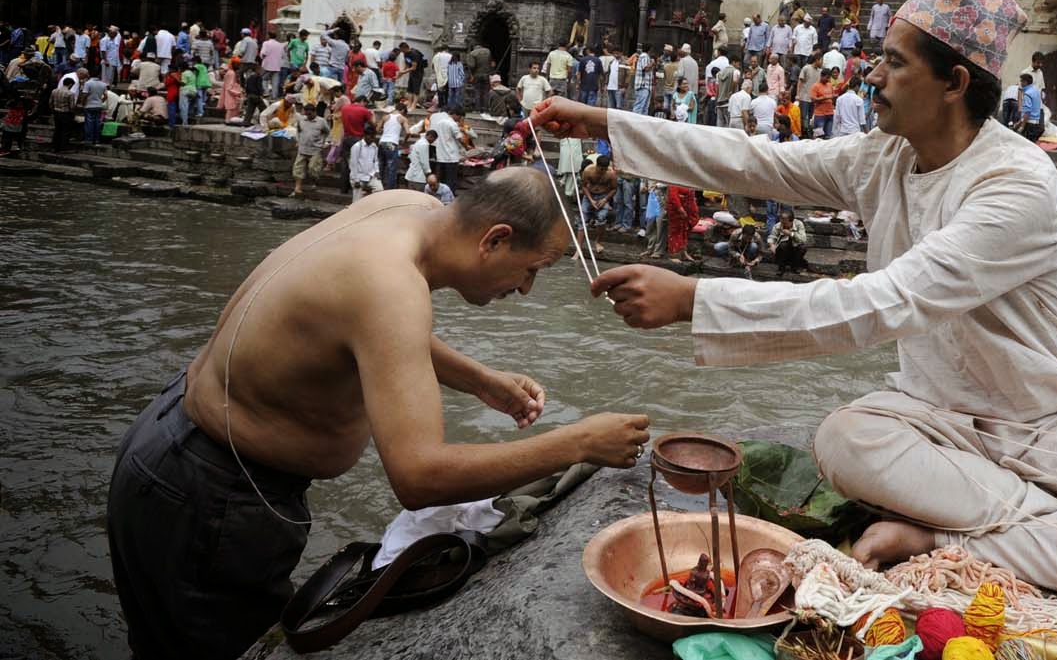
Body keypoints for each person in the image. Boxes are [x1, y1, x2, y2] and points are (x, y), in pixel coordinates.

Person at [532, 0, 1057, 607]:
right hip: (937, 423)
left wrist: (696, 297)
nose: (871, 75)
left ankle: (955, 541)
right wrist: (605, 122)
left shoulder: (1017, 183)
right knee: (845, 437)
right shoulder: (885, 156)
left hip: (1056, 428)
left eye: (894, 62)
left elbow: (889, 300)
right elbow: (757, 160)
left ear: (953, 82)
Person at [107, 171, 650, 660]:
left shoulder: (402, 208)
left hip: (171, 443)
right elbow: (419, 476)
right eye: (533, 270)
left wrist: (478, 380)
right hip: (210, 493)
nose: (527, 289)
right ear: (495, 239)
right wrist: (578, 443)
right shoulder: (392, 288)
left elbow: (362, 323)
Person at [290, 103, 330, 198]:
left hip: (315, 148)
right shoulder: (301, 120)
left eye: (310, 114)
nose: (308, 116)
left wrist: (324, 142)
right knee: (297, 169)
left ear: (314, 112)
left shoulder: (321, 121)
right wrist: (298, 141)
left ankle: (315, 181)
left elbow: (327, 132)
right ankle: (297, 187)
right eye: (306, 114)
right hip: (303, 148)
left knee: (313, 168)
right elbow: (298, 130)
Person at [579, 155, 618, 226]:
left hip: (603, 195)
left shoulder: (611, 173)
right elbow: (584, 186)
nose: (603, 172)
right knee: (583, 219)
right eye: (601, 169)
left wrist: (605, 199)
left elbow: (614, 189)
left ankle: (599, 237)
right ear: (597, 165)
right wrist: (591, 200)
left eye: (605, 169)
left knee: (601, 219)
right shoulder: (588, 170)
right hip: (590, 195)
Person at [665, 182, 699, 261]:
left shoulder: (688, 181)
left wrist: (694, 210)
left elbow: (692, 196)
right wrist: (680, 209)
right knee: (675, 231)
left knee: (684, 231)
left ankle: (683, 252)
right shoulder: (674, 181)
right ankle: (673, 255)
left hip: (688, 208)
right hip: (676, 210)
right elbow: (673, 196)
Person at [769, 209, 809, 275]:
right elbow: (772, 237)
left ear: (791, 221)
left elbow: (803, 239)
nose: (782, 224)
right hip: (782, 250)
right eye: (781, 221)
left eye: (785, 223)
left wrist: (791, 234)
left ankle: (795, 266)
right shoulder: (778, 226)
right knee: (783, 245)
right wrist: (771, 245)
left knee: (803, 247)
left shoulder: (799, 224)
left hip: (795, 248)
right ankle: (781, 268)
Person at [348, 127, 383, 202]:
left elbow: (376, 160)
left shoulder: (374, 147)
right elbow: (353, 164)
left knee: (380, 190)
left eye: (374, 137)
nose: (372, 139)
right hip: (359, 176)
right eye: (371, 136)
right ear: (365, 135)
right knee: (357, 201)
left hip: (370, 175)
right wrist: (356, 180)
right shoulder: (357, 146)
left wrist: (377, 171)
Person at [78, 68, 108, 145]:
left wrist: (82, 103)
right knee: (97, 123)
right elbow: (106, 96)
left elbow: (84, 95)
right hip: (98, 105)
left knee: (89, 123)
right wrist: (101, 101)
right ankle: (97, 139)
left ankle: (89, 139)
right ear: (99, 74)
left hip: (89, 105)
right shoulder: (103, 84)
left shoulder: (88, 83)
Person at [809, 69, 839, 139]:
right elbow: (813, 99)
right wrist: (824, 98)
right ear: (822, 76)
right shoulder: (815, 86)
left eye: (829, 78)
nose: (828, 80)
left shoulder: (830, 85)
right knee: (818, 137)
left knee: (828, 136)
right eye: (827, 78)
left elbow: (832, 96)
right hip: (820, 115)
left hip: (830, 113)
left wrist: (834, 97)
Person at [1016, 71, 1044, 142]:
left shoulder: (1027, 94)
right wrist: (1019, 122)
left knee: (1025, 146)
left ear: (1025, 82)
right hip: (1036, 123)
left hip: (1029, 125)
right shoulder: (1036, 91)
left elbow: (1027, 112)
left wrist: (1022, 126)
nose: (1020, 83)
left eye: (1021, 81)